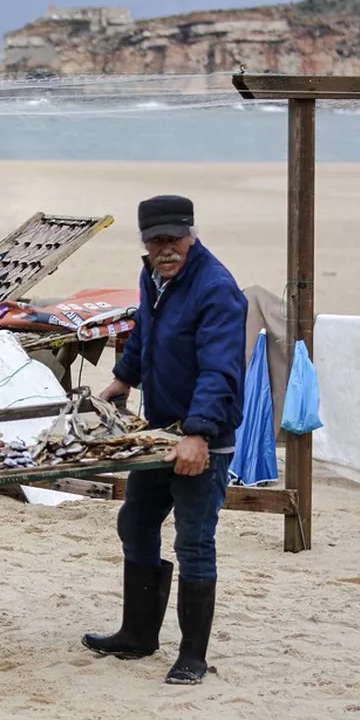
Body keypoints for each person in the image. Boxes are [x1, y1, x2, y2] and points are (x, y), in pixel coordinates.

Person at [84, 195, 247, 686]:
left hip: (203, 437)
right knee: (135, 522)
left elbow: (220, 370)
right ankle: (138, 635)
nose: (165, 249)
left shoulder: (217, 289)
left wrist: (197, 433)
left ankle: (193, 656)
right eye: (156, 241)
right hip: (158, 432)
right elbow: (146, 331)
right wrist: (124, 376)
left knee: (194, 541)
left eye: (173, 239)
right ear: (145, 243)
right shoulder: (153, 277)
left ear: (190, 234)